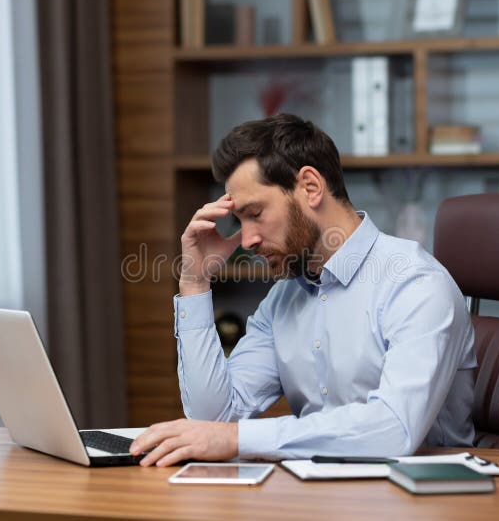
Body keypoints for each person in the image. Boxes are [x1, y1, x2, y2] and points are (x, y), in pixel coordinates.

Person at [130, 113, 476, 466]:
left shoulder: (415, 284)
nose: (247, 240)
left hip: (422, 498)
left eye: (256, 213)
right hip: (316, 495)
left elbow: (394, 429)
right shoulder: (284, 298)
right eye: (241, 221)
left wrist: (237, 439)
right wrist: (195, 283)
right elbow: (213, 419)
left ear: (310, 187)